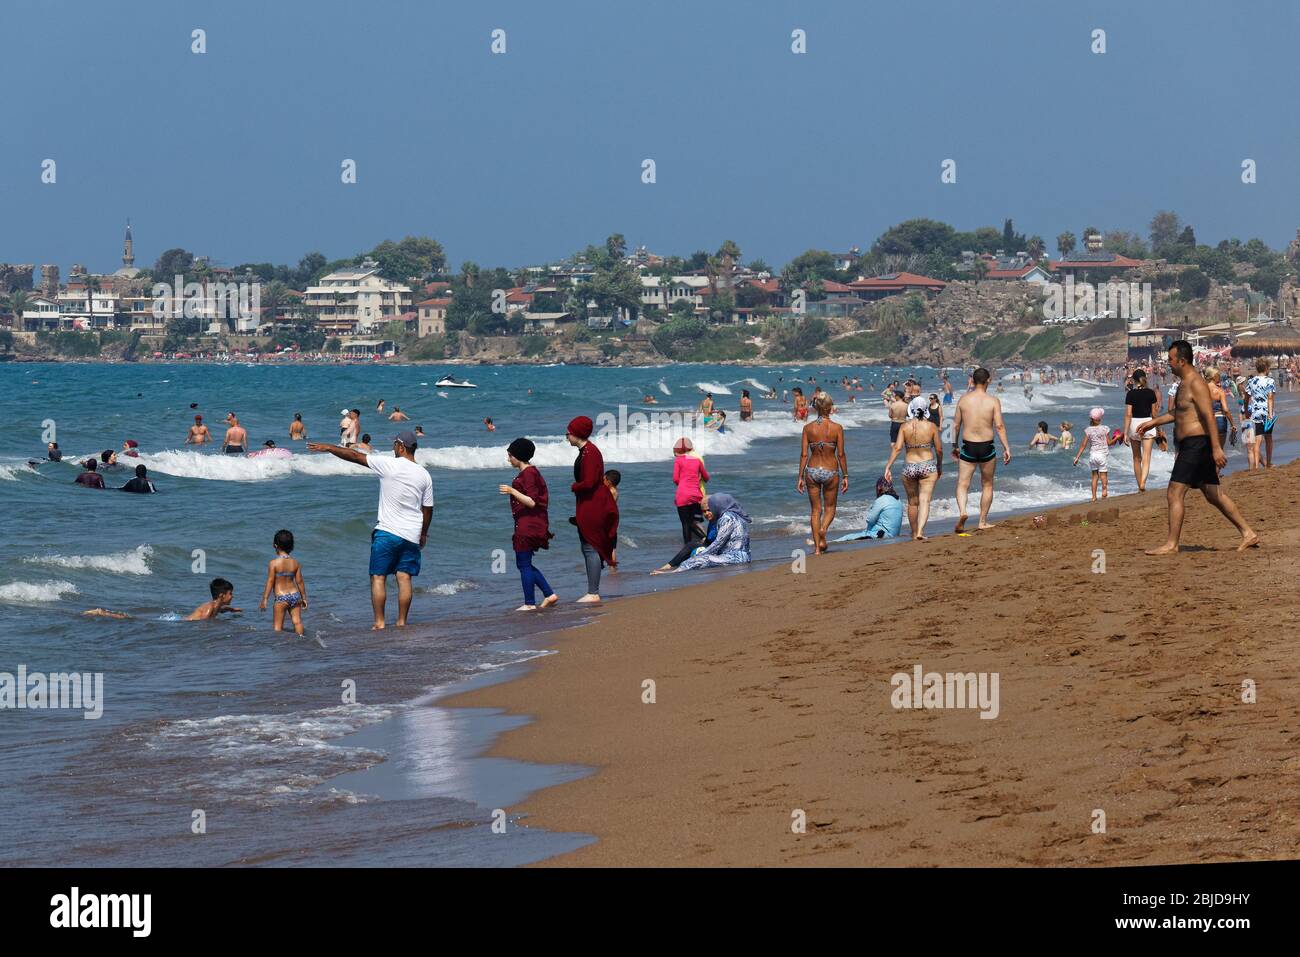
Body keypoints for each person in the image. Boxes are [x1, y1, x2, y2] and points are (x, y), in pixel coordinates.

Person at [1136, 341, 1258, 554]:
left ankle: (1172, 544)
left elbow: (1208, 415)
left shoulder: (1196, 383)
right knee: (1213, 494)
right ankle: (1248, 533)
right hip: (1192, 445)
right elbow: (1180, 412)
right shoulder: (1183, 383)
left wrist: (1216, 448)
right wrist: (1153, 422)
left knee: (1174, 492)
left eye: (1171, 360)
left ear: (1182, 361)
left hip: (1197, 445)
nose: (1168, 364)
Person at [307, 430, 433, 629]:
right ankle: (401, 622)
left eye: (395, 444)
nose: (393, 448)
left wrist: (329, 448)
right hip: (411, 534)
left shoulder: (389, 464)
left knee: (378, 577)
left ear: (401, 446)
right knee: (404, 577)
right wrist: (423, 533)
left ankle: (380, 622)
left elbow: (355, 456)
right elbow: (428, 509)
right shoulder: (424, 474)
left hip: (387, 532)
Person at [499, 438, 557, 611]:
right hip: (530, 522)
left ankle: (529, 603)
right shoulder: (531, 472)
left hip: (529, 524)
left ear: (518, 456)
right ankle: (549, 594)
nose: (508, 459)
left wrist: (512, 490)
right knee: (524, 563)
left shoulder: (529, 474)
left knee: (523, 564)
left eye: (510, 455)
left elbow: (532, 501)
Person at [950, 367, 1011, 532]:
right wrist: (1006, 447)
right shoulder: (993, 401)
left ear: (972, 380)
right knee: (987, 484)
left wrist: (954, 445)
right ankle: (982, 521)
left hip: (968, 446)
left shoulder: (963, 400)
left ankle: (963, 512)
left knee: (963, 484)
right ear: (988, 380)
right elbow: (999, 426)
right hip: (987, 447)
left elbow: (955, 425)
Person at [566, 416, 618, 603]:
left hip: (593, 504)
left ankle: (593, 592)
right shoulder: (585, 451)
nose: (566, 436)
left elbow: (589, 482)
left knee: (590, 547)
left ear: (577, 434)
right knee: (588, 546)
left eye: (568, 433)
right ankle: (592, 590)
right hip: (589, 503)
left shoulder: (590, 453)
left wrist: (574, 486)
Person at [797, 393, 849, 554]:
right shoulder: (837, 428)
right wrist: (845, 475)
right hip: (830, 471)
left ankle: (817, 549)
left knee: (815, 511)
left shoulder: (807, 428)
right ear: (829, 408)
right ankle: (823, 529)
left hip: (812, 471)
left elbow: (804, 455)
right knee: (830, 508)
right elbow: (841, 454)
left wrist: (800, 477)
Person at [884, 398, 942, 541]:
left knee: (912, 502)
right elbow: (939, 450)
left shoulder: (904, 426)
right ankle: (920, 531)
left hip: (909, 466)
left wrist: (888, 466)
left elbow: (897, 448)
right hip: (927, 465)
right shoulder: (932, 426)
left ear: (911, 409)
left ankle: (914, 533)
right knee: (925, 500)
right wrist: (939, 465)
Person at [671, 494, 752, 572]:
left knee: (695, 561)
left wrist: (698, 556)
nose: (712, 508)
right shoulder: (732, 516)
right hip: (740, 556)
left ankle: (674, 572)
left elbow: (718, 543)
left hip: (736, 558)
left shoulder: (727, 518)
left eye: (712, 506)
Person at [258, 529, 308, 636]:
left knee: (277, 628)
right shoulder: (295, 563)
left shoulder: (273, 563)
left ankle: (281, 645)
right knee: (297, 622)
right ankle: (301, 639)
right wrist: (304, 598)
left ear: (275, 546)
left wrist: (265, 599)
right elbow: (299, 581)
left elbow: (270, 581)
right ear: (291, 546)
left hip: (281, 598)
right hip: (295, 596)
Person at [834, 476, 904, 542]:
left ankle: (832, 542)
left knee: (847, 537)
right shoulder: (898, 500)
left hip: (880, 535)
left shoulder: (881, 500)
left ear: (879, 488)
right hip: (894, 534)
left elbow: (870, 520)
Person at [672, 436, 710, 547]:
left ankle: (688, 547)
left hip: (683, 495)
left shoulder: (678, 460)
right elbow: (706, 478)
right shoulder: (697, 460)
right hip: (696, 495)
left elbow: (675, 479)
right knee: (694, 522)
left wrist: (683, 485)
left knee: (685, 523)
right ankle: (705, 541)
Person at [1072, 407, 1113, 501]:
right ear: (1100, 418)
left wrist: (1077, 458)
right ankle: (1104, 490)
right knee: (1103, 475)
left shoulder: (1088, 430)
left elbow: (1083, 445)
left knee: (1094, 476)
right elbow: (1109, 443)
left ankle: (1094, 497)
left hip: (1093, 456)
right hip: (1102, 455)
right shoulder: (1105, 428)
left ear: (1091, 418)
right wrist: (1117, 437)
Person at [1245, 358, 1277, 468]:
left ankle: (1256, 466)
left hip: (1256, 413)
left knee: (1258, 439)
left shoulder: (1251, 381)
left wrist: (1246, 411)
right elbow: (1270, 398)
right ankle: (1268, 463)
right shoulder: (1270, 381)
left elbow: (1246, 398)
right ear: (1266, 368)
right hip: (1267, 412)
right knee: (1268, 438)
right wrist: (1270, 413)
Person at [1204, 367, 1237, 452]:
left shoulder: (1202, 389)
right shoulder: (1219, 391)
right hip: (1219, 420)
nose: (1219, 377)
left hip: (1207, 420)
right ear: (1213, 376)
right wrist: (1232, 424)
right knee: (1220, 451)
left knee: (1208, 451)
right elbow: (1226, 410)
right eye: (1218, 375)